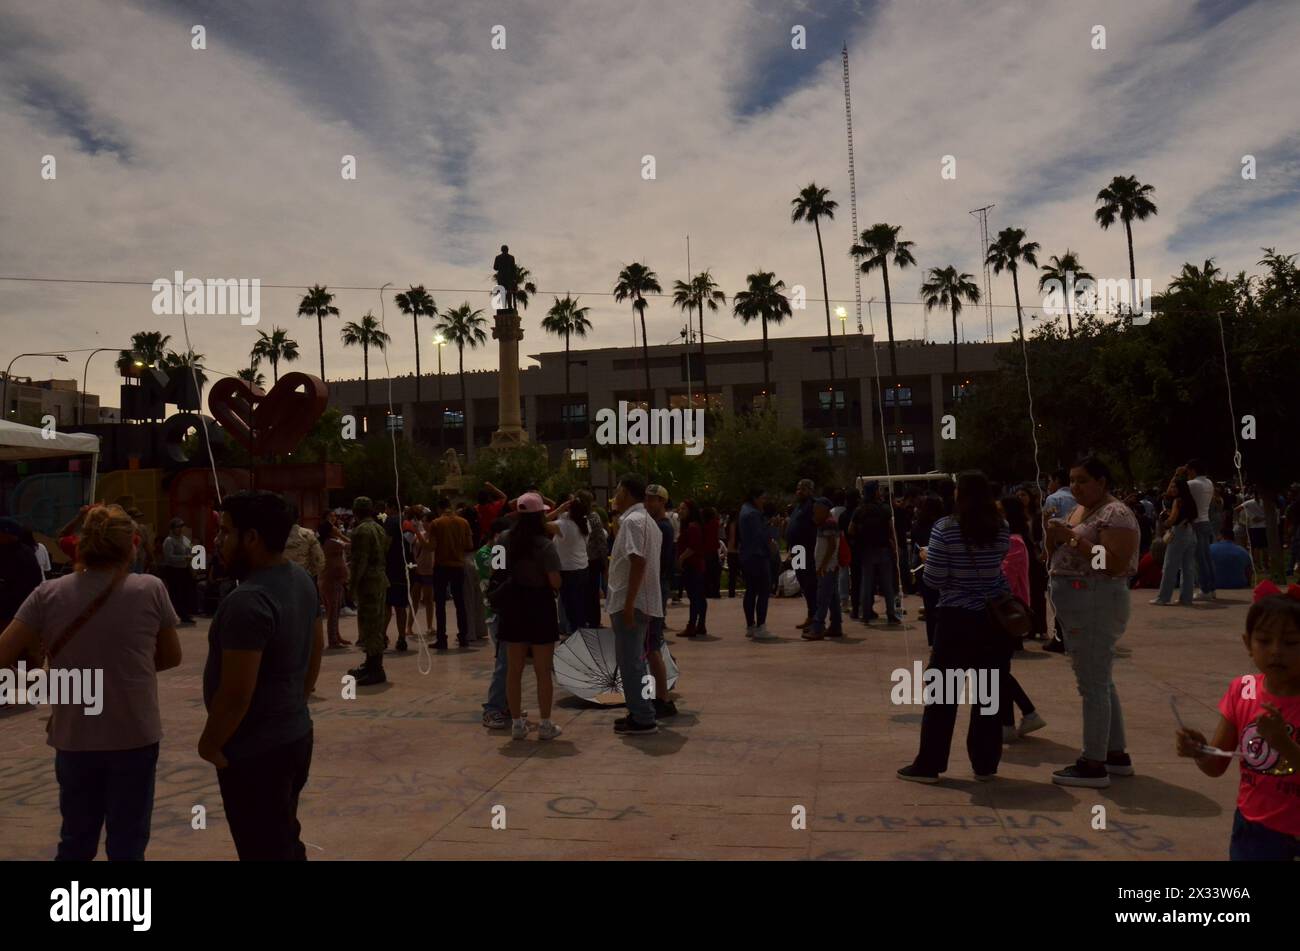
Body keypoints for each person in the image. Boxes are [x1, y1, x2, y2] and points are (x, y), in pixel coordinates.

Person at [0, 505, 182, 860]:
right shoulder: (150, 588)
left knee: (76, 840)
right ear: (132, 544)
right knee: (127, 842)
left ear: (81, 545)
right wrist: (127, 667)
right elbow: (172, 656)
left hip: (75, 736)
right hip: (134, 734)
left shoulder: (48, 593)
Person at [198, 491, 323, 861]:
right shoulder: (300, 578)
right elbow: (315, 654)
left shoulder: (248, 601)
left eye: (225, 531)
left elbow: (236, 694)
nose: (217, 541)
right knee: (282, 839)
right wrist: (294, 702)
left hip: (257, 751)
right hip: (295, 734)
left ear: (251, 537)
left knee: (263, 848)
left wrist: (209, 743)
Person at [898, 471, 1009, 784]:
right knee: (988, 696)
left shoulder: (945, 529)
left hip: (956, 618)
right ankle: (985, 763)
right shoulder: (1001, 528)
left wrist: (926, 557)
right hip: (991, 619)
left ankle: (930, 763)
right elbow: (996, 568)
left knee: (943, 696)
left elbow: (933, 579)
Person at [1176, 583, 1300, 860]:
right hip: (1256, 832)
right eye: (1264, 641)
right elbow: (1216, 766)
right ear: (1248, 644)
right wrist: (1200, 751)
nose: (1276, 651)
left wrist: (1283, 743)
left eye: (1291, 642)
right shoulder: (1242, 691)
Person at [1045, 456, 1140, 788]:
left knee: (1093, 684)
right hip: (1078, 602)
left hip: (1097, 599)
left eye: (1083, 480)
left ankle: (1093, 763)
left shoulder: (1116, 514)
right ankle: (1114, 753)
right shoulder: (1079, 510)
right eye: (1072, 479)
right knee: (1099, 678)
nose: (1075, 486)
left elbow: (1113, 563)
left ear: (1102, 482)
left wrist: (1071, 539)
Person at [495, 493, 563, 740]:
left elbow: (497, 570)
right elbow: (555, 580)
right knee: (543, 671)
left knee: (514, 670)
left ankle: (516, 725)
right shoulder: (545, 544)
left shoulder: (502, 540)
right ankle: (545, 724)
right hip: (540, 606)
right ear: (540, 516)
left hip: (512, 607)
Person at [606, 473, 662, 736]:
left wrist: (628, 605)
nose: (615, 497)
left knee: (631, 662)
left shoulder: (633, 522)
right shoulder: (647, 521)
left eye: (618, 491)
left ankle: (643, 716)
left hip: (633, 602)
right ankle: (639, 710)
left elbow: (637, 562)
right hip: (641, 601)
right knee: (634, 661)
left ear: (627, 494)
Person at [998, 495, 1046, 741]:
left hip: (1008, 614)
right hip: (1002, 613)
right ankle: (1018, 718)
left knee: (997, 670)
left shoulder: (1014, 542)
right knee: (998, 670)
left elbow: (1003, 578)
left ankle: (1022, 715)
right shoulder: (1009, 540)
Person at [346, 496, 389, 686]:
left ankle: (375, 669)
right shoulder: (379, 528)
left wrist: (351, 586)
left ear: (356, 512)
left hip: (368, 583)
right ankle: (371, 663)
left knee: (370, 625)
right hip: (379, 579)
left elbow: (359, 562)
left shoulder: (361, 530)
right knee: (376, 623)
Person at [643, 485, 678, 718]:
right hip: (657, 586)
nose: (648, 503)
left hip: (656, 587)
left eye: (652, 500)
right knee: (652, 644)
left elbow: (660, 563)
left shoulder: (662, 527)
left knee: (651, 645)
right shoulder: (661, 526)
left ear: (662, 502)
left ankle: (662, 697)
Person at [850, 482, 900, 625]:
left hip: (866, 550)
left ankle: (865, 616)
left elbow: (850, 530)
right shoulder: (884, 509)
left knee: (866, 584)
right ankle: (891, 614)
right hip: (884, 549)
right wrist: (894, 548)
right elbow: (891, 530)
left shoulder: (860, 510)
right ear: (875, 492)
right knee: (887, 585)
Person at [429, 498, 474, 649]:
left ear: (439, 509)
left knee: (440, 605)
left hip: (441, 566)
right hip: (458, 565)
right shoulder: (464, 523)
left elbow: (432, 546)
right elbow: (469, 545)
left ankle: (442, 638)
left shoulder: (436, 523)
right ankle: (463, 637)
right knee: (460, 603)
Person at [1152, 475, 1198, 607]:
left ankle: (1163, 597)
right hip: (1190, 532)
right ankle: (1186, 598)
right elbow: (1193, 516)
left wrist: (1164, 521)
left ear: (1180, 488)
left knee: (1170, 566)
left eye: (1173, 486)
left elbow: (1172, 520)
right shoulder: (1190, 500)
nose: (1171, 488)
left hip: (1178, 533)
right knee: (1187, 568)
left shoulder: (1177, 501)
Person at [802, 497, 844, 640]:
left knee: (822, 598)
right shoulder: (825, 523)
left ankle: (818, 627)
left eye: (817, 510)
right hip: (828, 567)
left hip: (827, 568)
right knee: (832, 598)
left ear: (825, 510)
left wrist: (823, 565)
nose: (814, 513)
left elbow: (832, 546)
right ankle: (836, 625)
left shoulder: (829, 524)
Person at [549, 493, 591, 635]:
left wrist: (557, 510)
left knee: (570, 608)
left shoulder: (563, 525)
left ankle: (575, 637)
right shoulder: (584, 523)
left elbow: (537, 522)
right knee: (579, 606)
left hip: (568, 571)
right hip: (583, 568)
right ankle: (579, 634)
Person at [739, 487, 774, 639]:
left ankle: (750, 625)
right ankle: (761, 626)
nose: (764, 502)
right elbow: (761, 536)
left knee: (751, 591)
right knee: (764, 591)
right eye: (763, 498)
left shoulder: (744, 511)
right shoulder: (754, 514)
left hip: (747, 556)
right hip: (758, 556)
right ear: (755, 498)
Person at [1184, 459, 1218, 602]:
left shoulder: (1193, 484)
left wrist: (1178, 474)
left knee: (1199, 559)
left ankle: (1205, 589)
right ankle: (1212, 588)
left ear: (1193, 470)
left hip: (1196, 523)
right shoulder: (1209, 482)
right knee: (1207, 557)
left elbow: (1173, 491)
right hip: (1205, 521)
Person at [786, 478, 818, 628]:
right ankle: (811, 614)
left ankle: (815, 615)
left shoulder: (812, 505)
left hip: (807, 550)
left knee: (810, 582)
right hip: (797, 551)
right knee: (803, 582)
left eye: (803, 489)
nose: (799, 491)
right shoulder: (798, 506)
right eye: (798, 488)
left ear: (810, 491)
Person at [382, 499, 413, 651]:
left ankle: (382, 635)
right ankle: (402, 638)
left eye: (386, 508)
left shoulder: (391, 521)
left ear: (392, 507)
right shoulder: (407, 522)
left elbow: (386, 544)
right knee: (401, 607)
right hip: (404, 569)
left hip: (391, 569)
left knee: (386, 605)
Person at [676, 500, 709, 639]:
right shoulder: (692, 526)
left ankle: (692, 626)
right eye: (680, 508)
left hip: (693, 566)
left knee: (695, 597)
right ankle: (700, 624)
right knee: (699, 597)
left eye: (683, 508)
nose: (680, 511)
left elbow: (693, 547)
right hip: (696, 565)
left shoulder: (692, 527)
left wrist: (681, 559)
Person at [318, 521, 351, 649]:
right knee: (333, 611)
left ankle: (336, 636)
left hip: (328, 579)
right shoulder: (333, 543)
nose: (337, 528)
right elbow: (351, 545)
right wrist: (341, 535)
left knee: (334, 610)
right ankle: (333, 640)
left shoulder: (326, 542)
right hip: (332, 580)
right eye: (334, 527)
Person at [412, 510, 437, 636]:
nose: (424, 524)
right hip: (418, 569)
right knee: (414, 598)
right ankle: (409, 627)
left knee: (428, 599)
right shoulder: (419, 534)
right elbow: (414, 548)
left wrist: (417, 532)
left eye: (426, 521)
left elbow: (427, 546)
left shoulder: (434, 536)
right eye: (423, 521)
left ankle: (429, 626)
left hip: (429, 570)